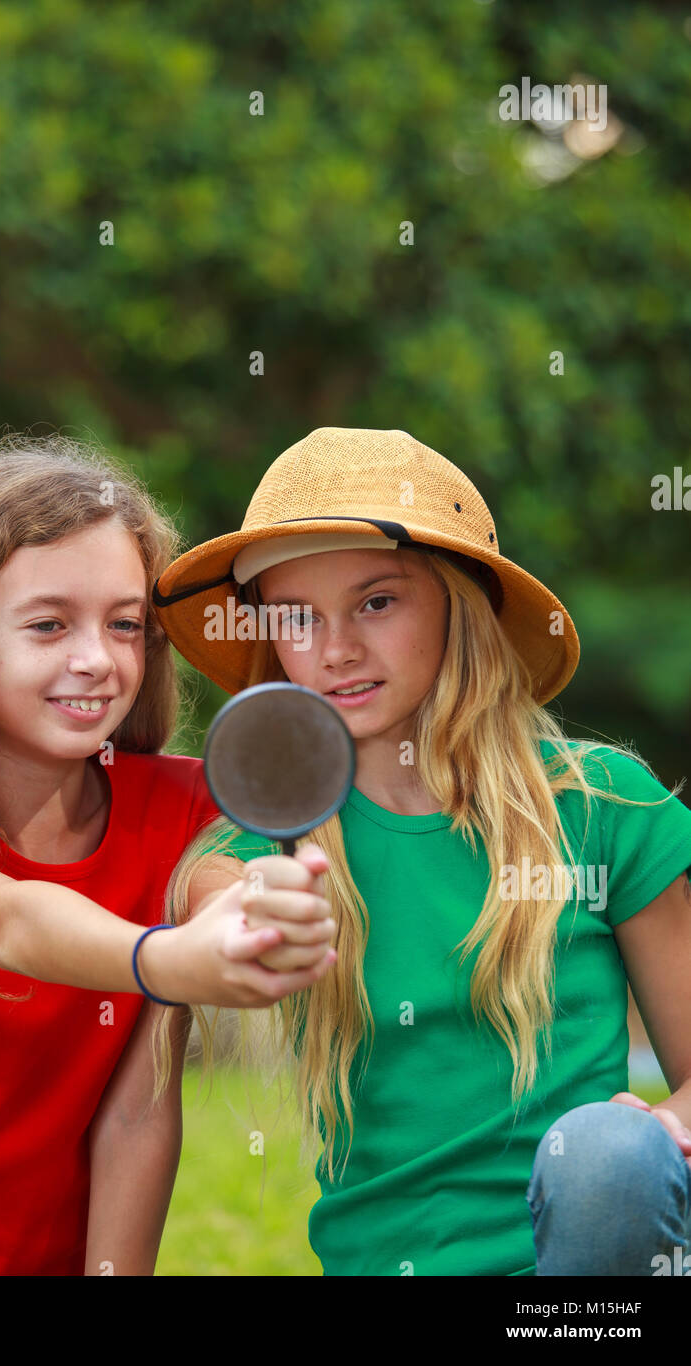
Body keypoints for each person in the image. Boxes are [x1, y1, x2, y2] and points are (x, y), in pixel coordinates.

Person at [150, 424, 691, 1277]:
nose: (336, 649)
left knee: (605, 1155)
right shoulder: (267, 834)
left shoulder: (604, 807)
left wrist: (654, 1139)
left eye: (377, 602)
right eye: (298, 615)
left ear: (458, 603)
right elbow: (221, 905)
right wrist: (251, 919)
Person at [0, 433, 334, 1277]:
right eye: (49, 624)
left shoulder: (183, 808)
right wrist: (164, 956)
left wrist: (248, 914)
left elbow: (138, 1113)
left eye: (126, 624)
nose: (97, 659)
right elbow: (14, 919)